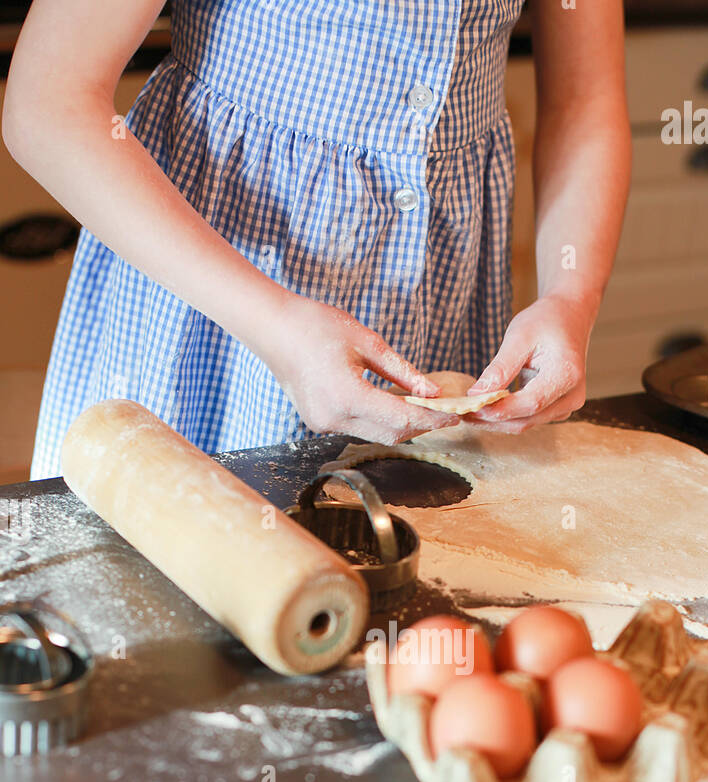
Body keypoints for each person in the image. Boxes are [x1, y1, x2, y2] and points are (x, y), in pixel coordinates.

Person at [3, 0, 631, 480]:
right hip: (216, 296)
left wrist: (572, 296)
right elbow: (47, 103)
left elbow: (585, 100)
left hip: (446, 286)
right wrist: (276, 328)